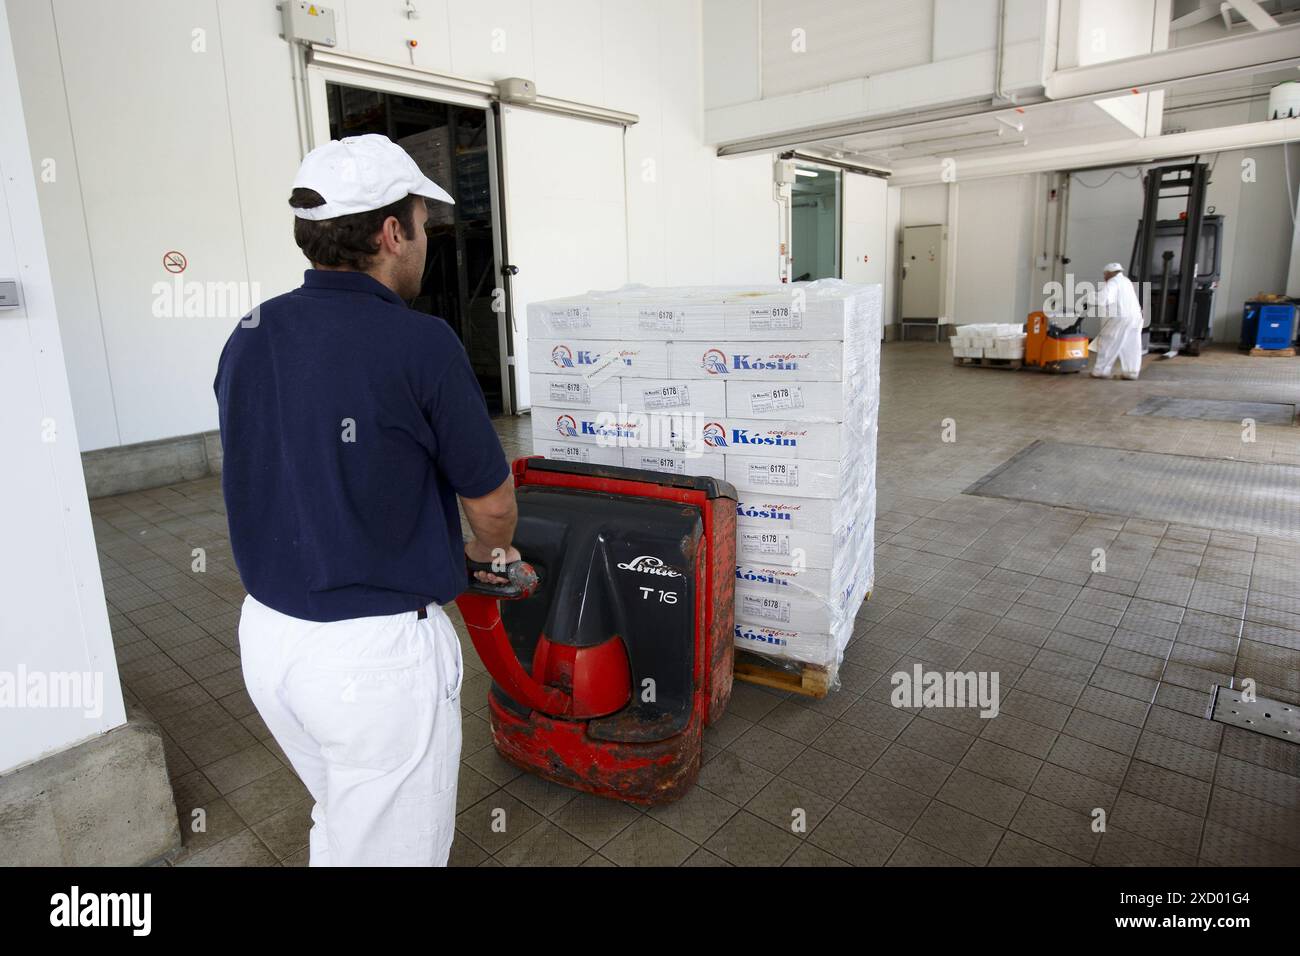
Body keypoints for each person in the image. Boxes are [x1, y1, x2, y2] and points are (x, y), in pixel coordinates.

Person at [213, 134, 520, 866]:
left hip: (269, 641)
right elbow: (493, 505)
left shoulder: (249, 334)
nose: (425, 244)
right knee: (390, 850)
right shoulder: (422, 343)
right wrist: (487, 552)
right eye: (421, 224)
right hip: (371, 662)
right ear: (391, 233)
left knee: (349, 822)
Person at [1091, 262, 1145, 380]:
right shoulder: (1126, 281)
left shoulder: (1113, 282)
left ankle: (1100, 371)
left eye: (1105, 275)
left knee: (1107, 341)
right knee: (1130, 345)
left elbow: (1103, 299)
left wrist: (1089, 298)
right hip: (1135, 317)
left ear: (1108, 273)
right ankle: (1131, 372)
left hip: (1120, 317)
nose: (1104, 277)